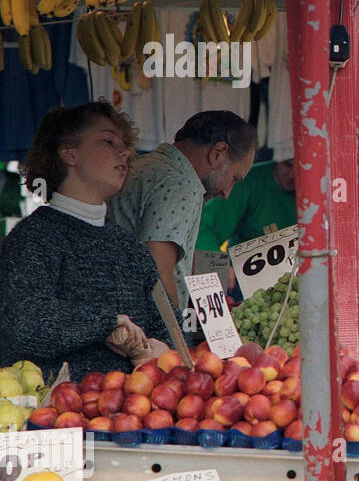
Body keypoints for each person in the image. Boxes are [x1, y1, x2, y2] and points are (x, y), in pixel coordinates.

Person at [0, 103, 169, 382]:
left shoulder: (131, 247)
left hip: (137, 416)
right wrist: (106, 324)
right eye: (108, 141)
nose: (125, 152)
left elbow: (169, 329)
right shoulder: (32, 238)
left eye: (125, 144)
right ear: (69, 153)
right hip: (57, 416)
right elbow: (23, 325)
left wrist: (158, 350)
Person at [108, 111, 257, 314]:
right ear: (218, 152)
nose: (227, 193)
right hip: (138, 325)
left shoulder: (146, 165)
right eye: (234, 179)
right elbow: (158, 271)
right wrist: (174, 339)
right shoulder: (182, 185)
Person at [196, 153, 296, 253]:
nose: (292, 175)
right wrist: (221, 267)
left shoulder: (309, 194)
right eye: (288, 164)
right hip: (239, 264)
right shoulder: (249, 181)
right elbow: (204, 228)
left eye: (300, 169)